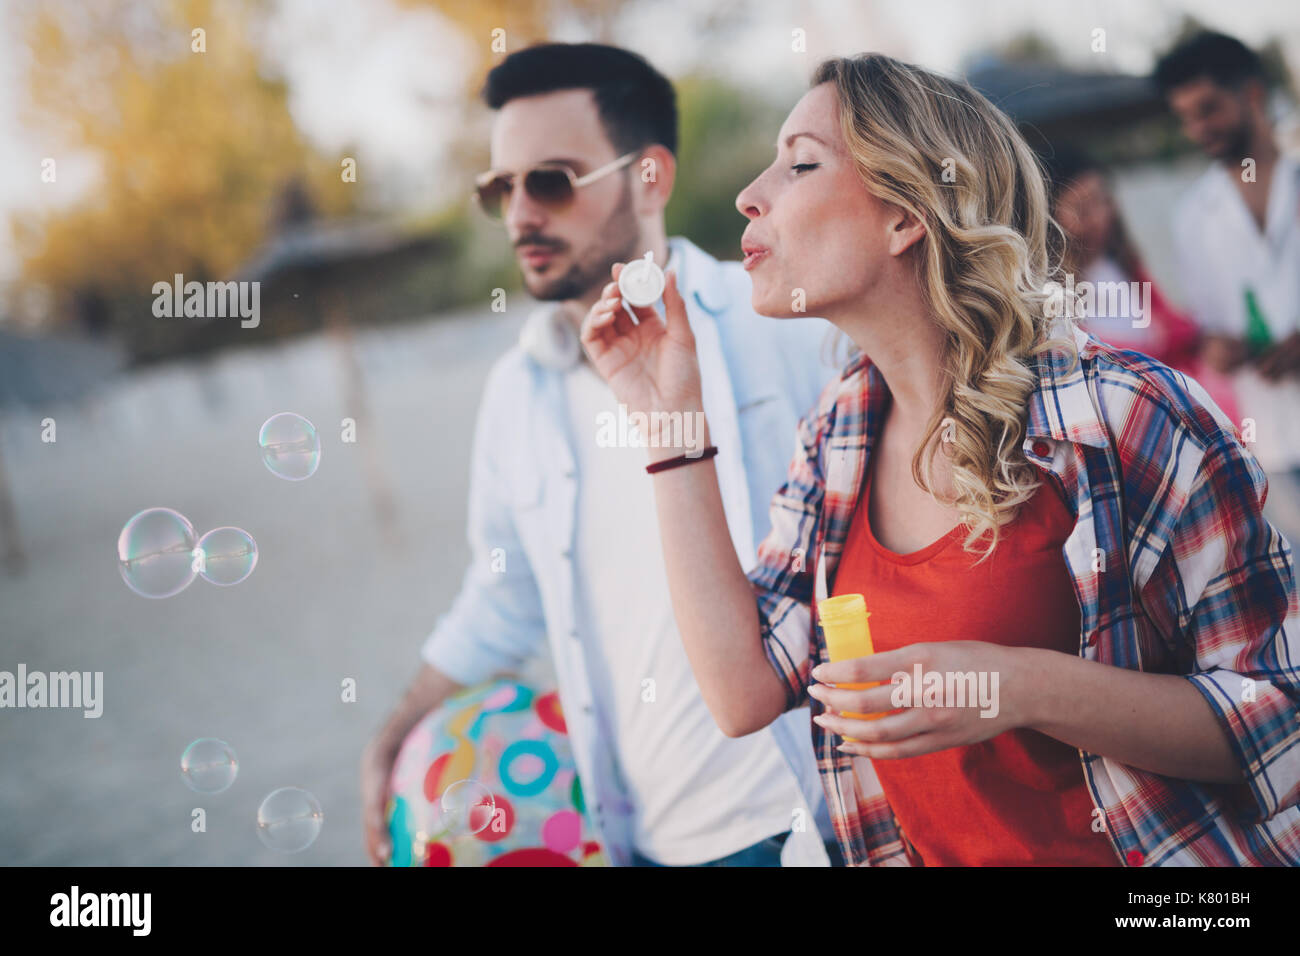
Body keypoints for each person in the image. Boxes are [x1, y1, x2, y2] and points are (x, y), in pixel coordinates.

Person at [580, 52, 1300, 866]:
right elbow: (742, 691)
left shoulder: (1123, 414)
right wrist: (671, 418)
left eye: (801, 162)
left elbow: (1277, 716)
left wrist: (1010, 686)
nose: (751, 193)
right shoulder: (836, 438)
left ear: (905, 216)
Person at [361, 42, 843, 867]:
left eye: (549, 180)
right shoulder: (518, 391)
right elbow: (503, 594)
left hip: (811, 817)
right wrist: (395, 733)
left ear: (649, 176)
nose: (520, 214)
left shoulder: (789, 319)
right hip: (637, 841)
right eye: (498, 188)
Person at [1156, 31, 1300, 549]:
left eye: (1209, 109)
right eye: (1187, 116)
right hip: (1277, 439)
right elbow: (1209, 329)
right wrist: (1220, 347)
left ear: (1253, 95)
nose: (1198, 128)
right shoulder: (1193, 217)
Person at [1041, 145, 1240, 423]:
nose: (1099, 218)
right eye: (1083, 210)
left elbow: (1169, 330)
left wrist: (1205, 338)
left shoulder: (1125, 265)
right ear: (1050, 219)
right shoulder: (1051, 300)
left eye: (1103, 201)